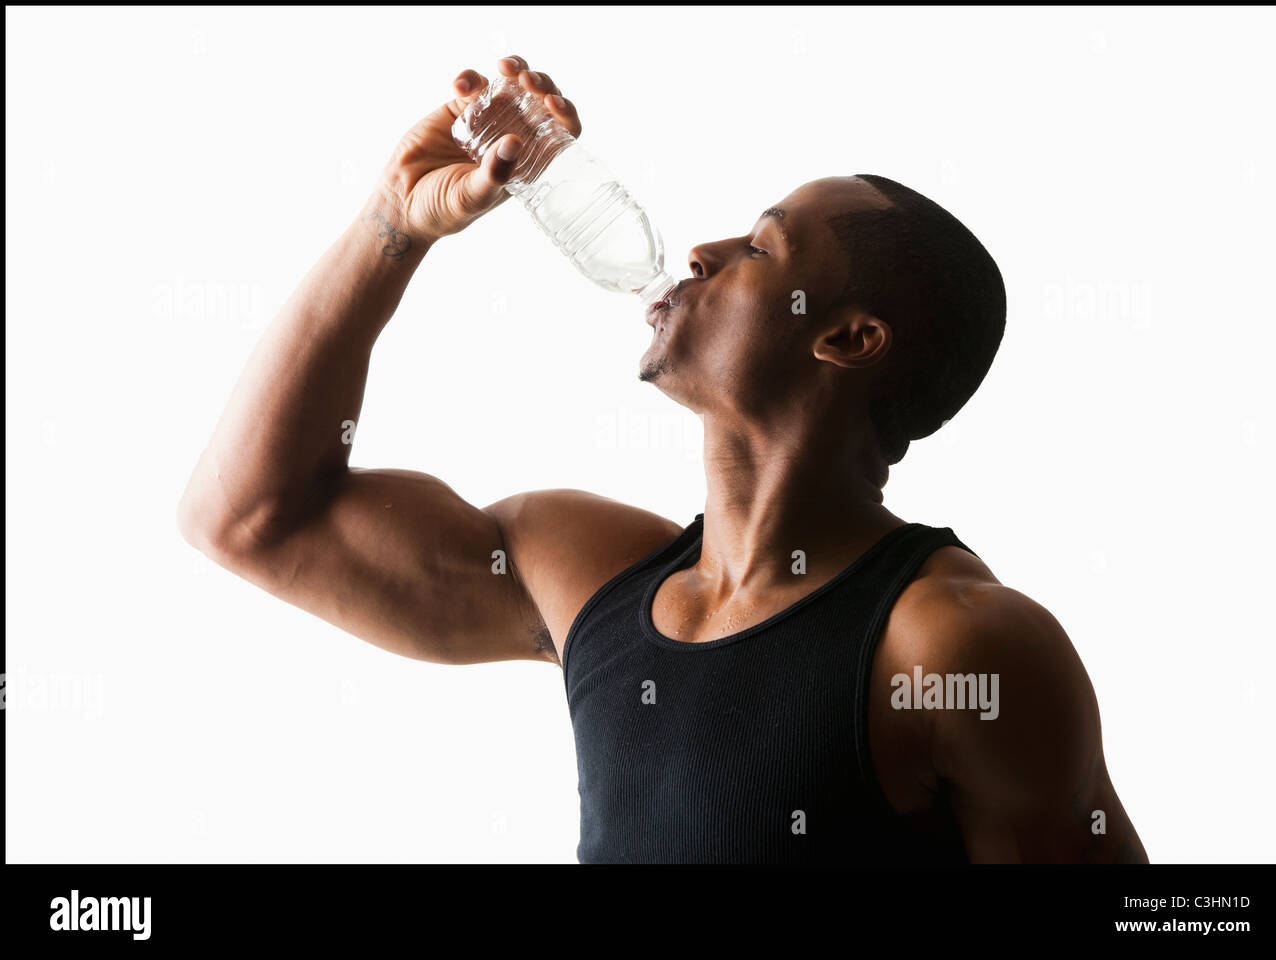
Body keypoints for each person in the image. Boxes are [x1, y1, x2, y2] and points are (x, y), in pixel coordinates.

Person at [179, 54, 1148, 864]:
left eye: (761, 249)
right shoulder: (586, 575)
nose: (702, 250)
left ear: (846, 341)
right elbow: (250, 517)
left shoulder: (948, 646)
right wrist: (393, 224)